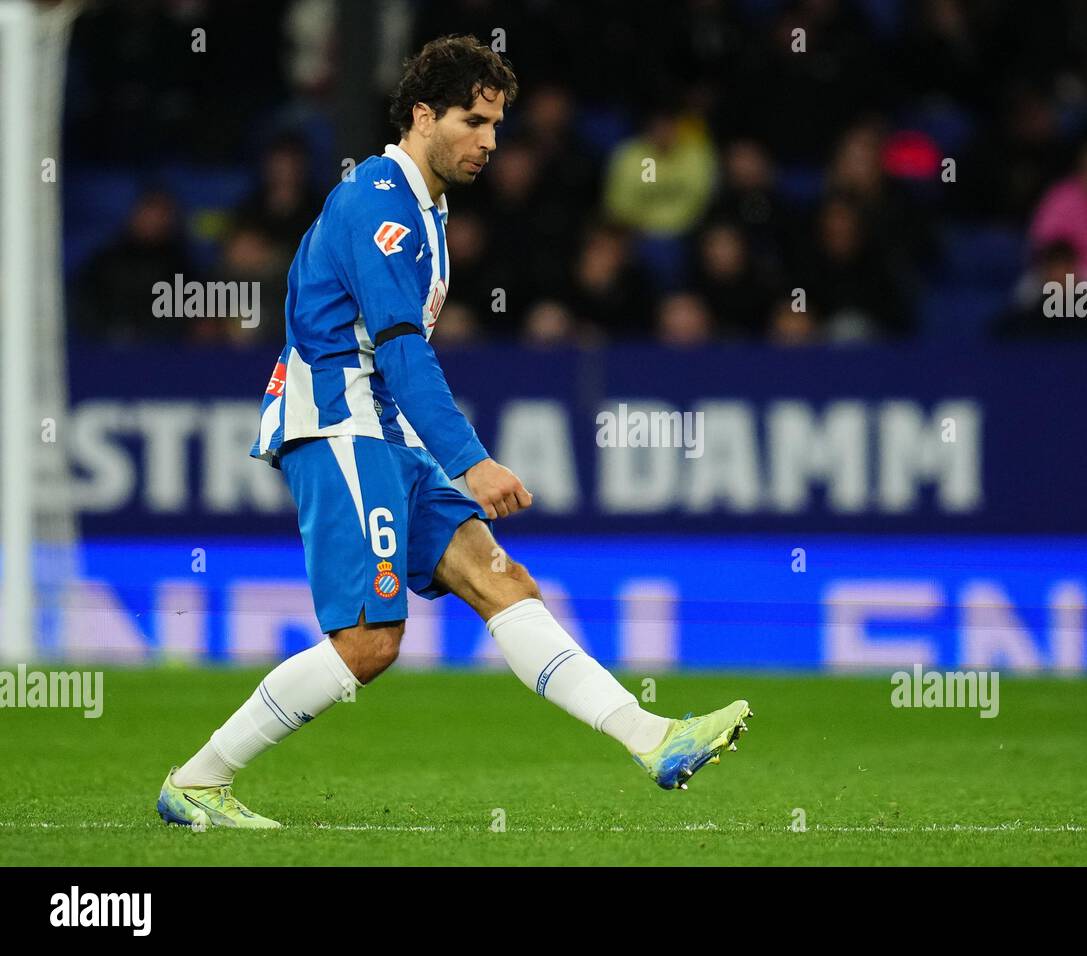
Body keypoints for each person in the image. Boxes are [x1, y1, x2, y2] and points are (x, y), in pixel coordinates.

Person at [156, 35, 750, 829]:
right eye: (474, 121)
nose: (490, 142)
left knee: (503, 583)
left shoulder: (427, 207)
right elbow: (400, 350)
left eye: (498, 125)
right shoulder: (377, 202)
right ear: (422, 114)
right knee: (370, 644)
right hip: (342, 424)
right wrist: (469, 461)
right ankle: (198, 780)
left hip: (386, 433)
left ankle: (654, 739)